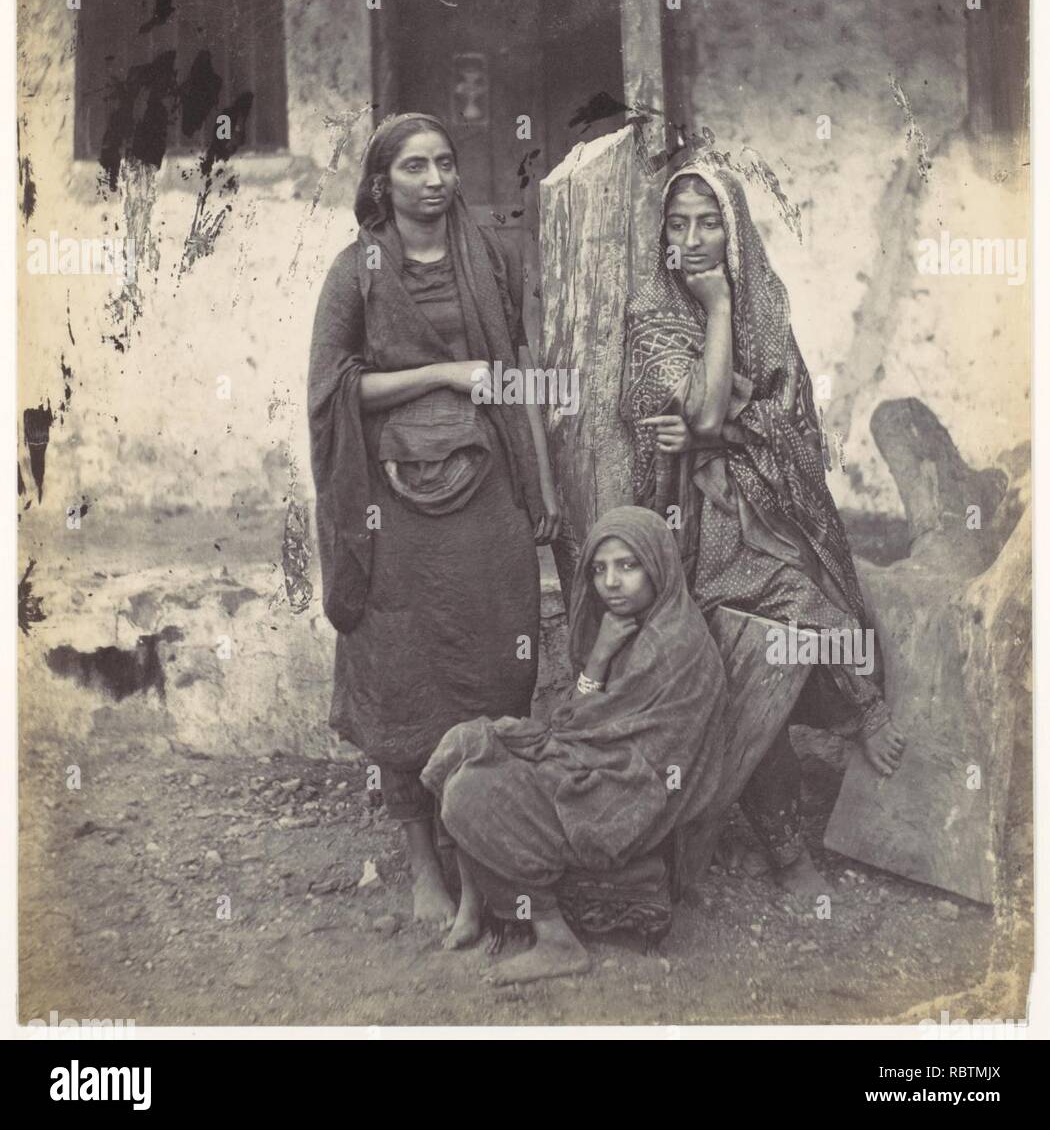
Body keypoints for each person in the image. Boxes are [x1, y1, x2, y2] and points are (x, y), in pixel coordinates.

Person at [622, 155, 907, 896]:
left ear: (735, 230)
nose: (692, 238)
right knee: (759, 644)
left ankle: (858, 712)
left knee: (812, 594)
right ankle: (789, 850)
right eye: (677, 223)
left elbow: (790, 421)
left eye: (709, 221)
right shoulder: (654, 317)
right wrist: (713, 314)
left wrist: (719, 430)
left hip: (768, 503)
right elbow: (700, 413)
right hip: (686, 524)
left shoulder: (766, 305)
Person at [308, 112, 560, 928]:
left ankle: (483, 846)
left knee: (495, 653)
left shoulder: (485, 256)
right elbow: (332, 389)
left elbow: (516, 368)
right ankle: (423, 863)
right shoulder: (356, 273)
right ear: (383, 184)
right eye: (415, 166)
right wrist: (443, 373)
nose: (435, 179)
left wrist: (543, 483)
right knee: (401, 667)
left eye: (446, 163)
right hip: (391, 506)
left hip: (483, 492)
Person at [421, 506, 726, 985]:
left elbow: (605, 733)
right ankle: (472, 901)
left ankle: (556, 940)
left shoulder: (673, 643)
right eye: (600, 569)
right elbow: (579, 723)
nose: (611, 582)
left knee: (472, 792)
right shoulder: (629, 623)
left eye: (628, 565)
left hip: (626, 797)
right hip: (595, 763)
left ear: (659, 565)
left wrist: (600, 659)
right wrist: (598, 662)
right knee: (465, 742)